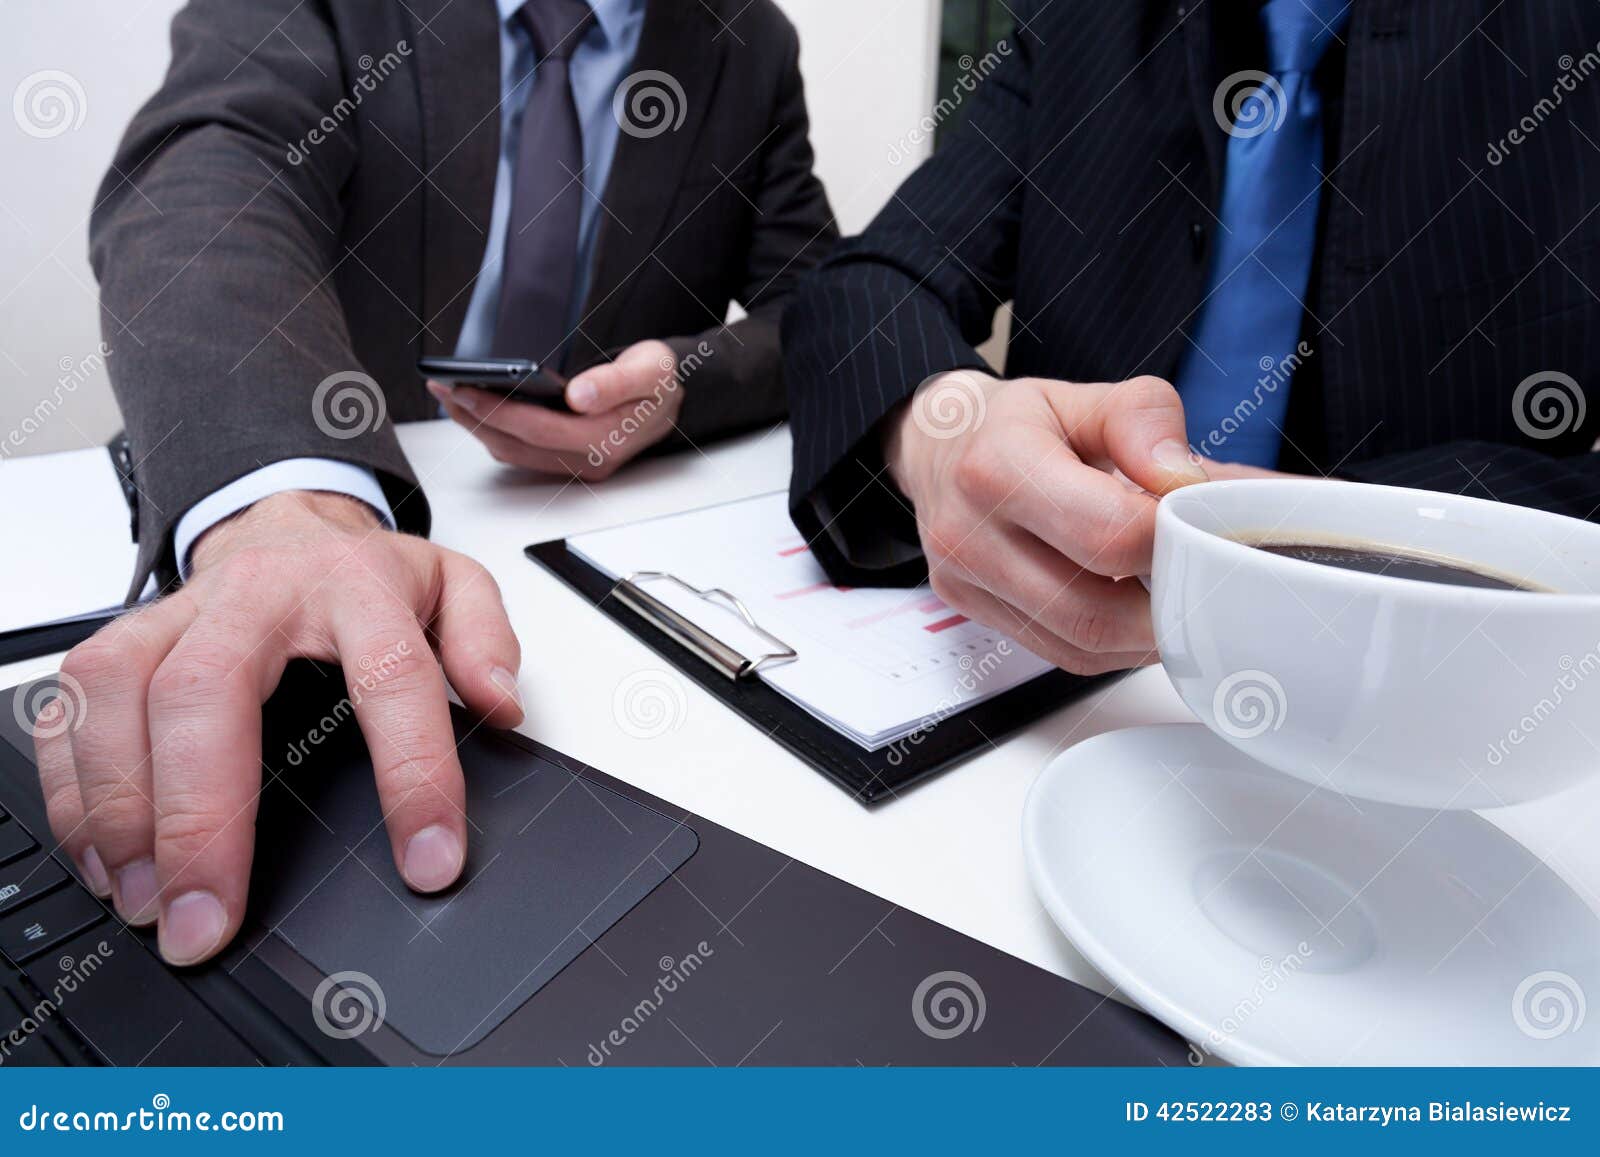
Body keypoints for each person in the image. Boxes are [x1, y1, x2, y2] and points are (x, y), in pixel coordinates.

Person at [36, 0, 835, 966]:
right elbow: (207, 174)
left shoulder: (747, 39)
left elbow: (816, 303)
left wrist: (679, 383)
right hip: (348, 509)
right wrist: (290, 499)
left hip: (591, 578)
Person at [783, 0, 1600, 677]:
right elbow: (866, 285)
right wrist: (942, 433)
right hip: (1054, 679)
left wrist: (1339, 525)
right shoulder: (1085, 21)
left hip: (1441, 682)